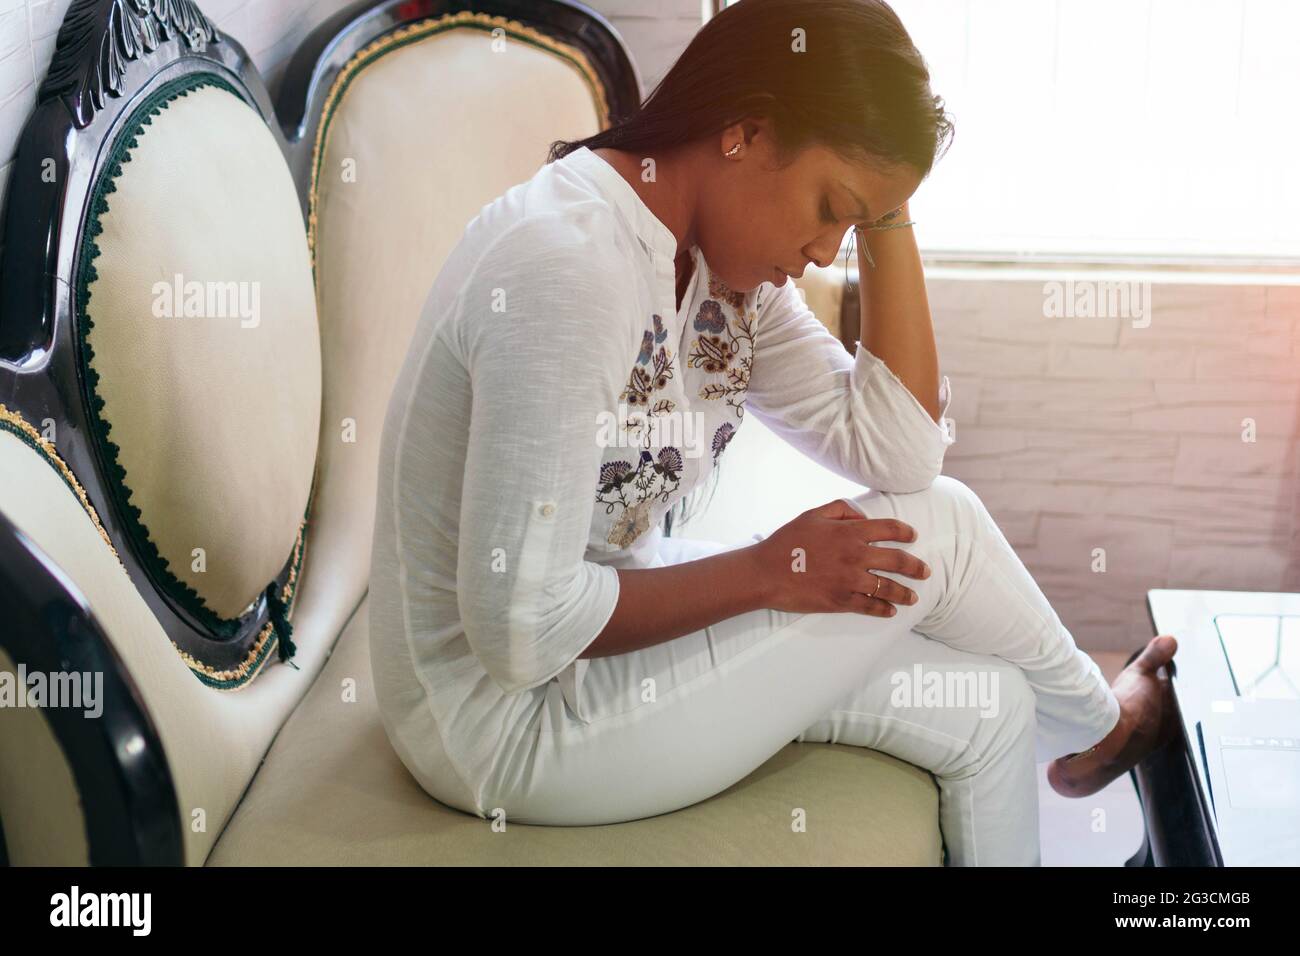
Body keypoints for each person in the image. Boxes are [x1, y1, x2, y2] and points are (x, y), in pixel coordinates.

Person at [368, 0, 1177, 865]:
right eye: (831, 206)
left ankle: (1088, 728)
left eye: (853, 223)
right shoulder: (567, 266)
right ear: (745, 133)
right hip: (499, 723)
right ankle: (1102, 727)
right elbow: (521, 630)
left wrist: (887, 207)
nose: (829, 252)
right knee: (943, 526)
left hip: (585, 650)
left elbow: (900, 450)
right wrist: (768, 570)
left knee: (992, 710)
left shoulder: (719, 276)